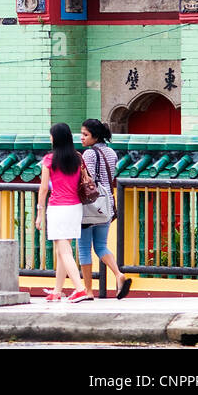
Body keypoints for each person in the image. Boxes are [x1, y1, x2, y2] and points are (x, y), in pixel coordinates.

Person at [79, 119, 132, 299]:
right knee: (101, 246)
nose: (82, 138)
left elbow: (89, 180)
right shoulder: (110, 152)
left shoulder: (89, 154)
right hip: (106, 205)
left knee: (84, 248)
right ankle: (118, 274)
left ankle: (88, 290)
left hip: (90, 206)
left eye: (85, 135)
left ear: (95, 136)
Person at [35, 122, 89, 303]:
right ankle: (57, 291)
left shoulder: (49, 160)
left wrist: (39, 212)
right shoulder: (77, 158)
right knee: (62, 250)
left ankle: (80, 289)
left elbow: (43, 189)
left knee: (64, 251)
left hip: (58, 207)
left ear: (55, 138)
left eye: (51, 135)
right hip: (75, 207)